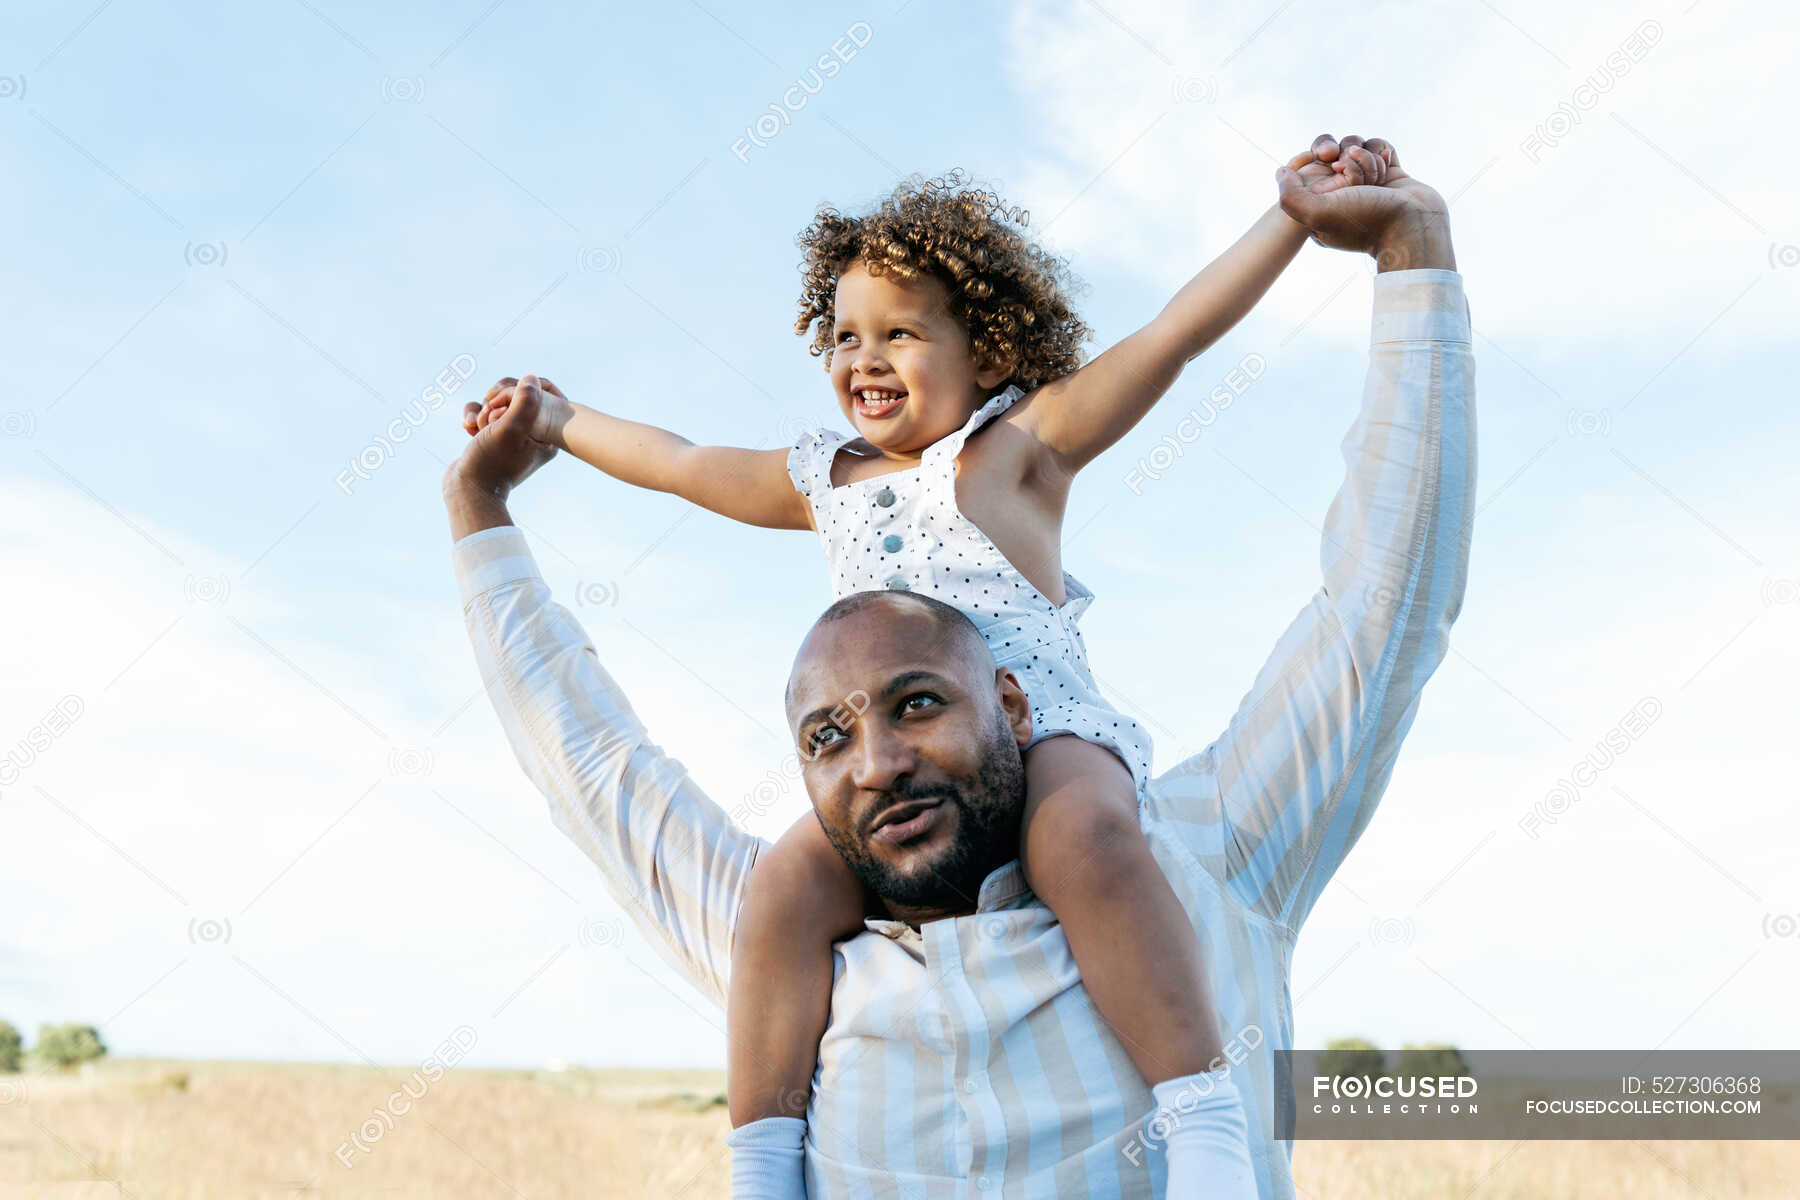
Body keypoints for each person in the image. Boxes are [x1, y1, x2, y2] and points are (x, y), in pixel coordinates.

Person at [444, 132, 1473, 1197]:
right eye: (843, 336)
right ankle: (760, 1158)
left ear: (984, 351)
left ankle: (1201, 1113)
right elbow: (683, 464)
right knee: (782, 891)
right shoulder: (820, 478)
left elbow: (1173, 336)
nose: (864, 359)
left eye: (899, 332)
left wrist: (1295, 221)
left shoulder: (1018, 447)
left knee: (1083, 836)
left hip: (1056, 735)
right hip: (941, 777)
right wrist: (559, 425)